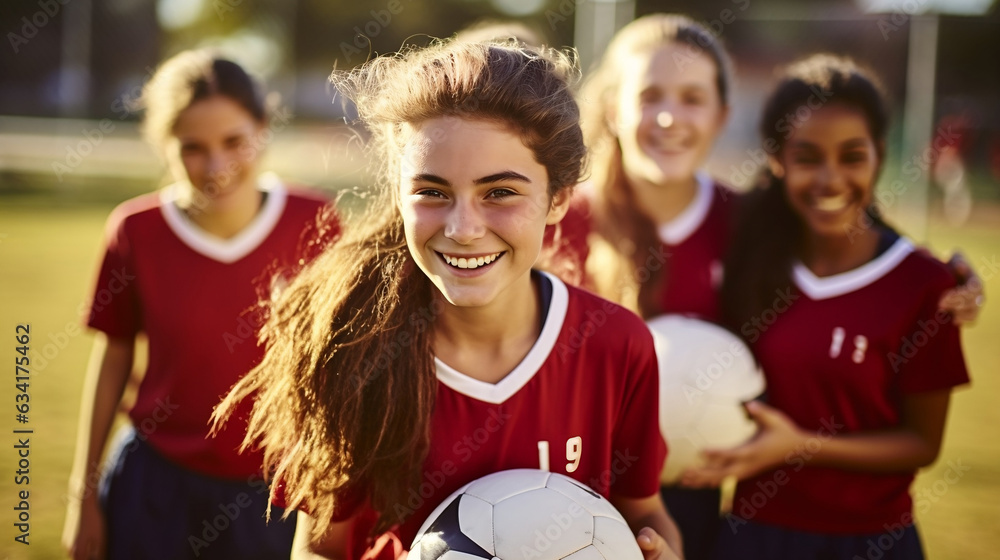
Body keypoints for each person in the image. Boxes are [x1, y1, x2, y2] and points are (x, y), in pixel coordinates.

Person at [213, 39, 683, 560]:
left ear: (559, 198)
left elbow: (645, 512)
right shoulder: (353, 346)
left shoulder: (617, 346)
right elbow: (320, 548)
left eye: (500, 192)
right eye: (432, 192)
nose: (463, 229)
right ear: (399, 193)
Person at [543, 14, 984, 560]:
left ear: (721, 116)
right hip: (561, 494)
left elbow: (859, 245)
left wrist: (948, 273)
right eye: (650, 94)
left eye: (692, 98)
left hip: (693, 499)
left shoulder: (745, 224)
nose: (668, 117)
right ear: (613, 106)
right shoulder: (551, 225)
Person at [681, 54, 970, 560]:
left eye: (852, 156)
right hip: (753, 536)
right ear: (777, 160)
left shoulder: (925, 284)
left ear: (879, 156)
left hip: (873, 542)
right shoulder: (750, 257)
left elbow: (923, 444)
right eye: (808, 157)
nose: (830, 179)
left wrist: (800, 446)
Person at [61, 49, 336, 560]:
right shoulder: (135, 230)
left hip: (277, 491)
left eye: (234, 141)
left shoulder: (315, 221)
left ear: (263, 127)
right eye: (192, 147)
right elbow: (114, 357)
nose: (216, 166)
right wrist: (83, 497)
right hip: (155, 486)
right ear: (164, 147)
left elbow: (343, 369)